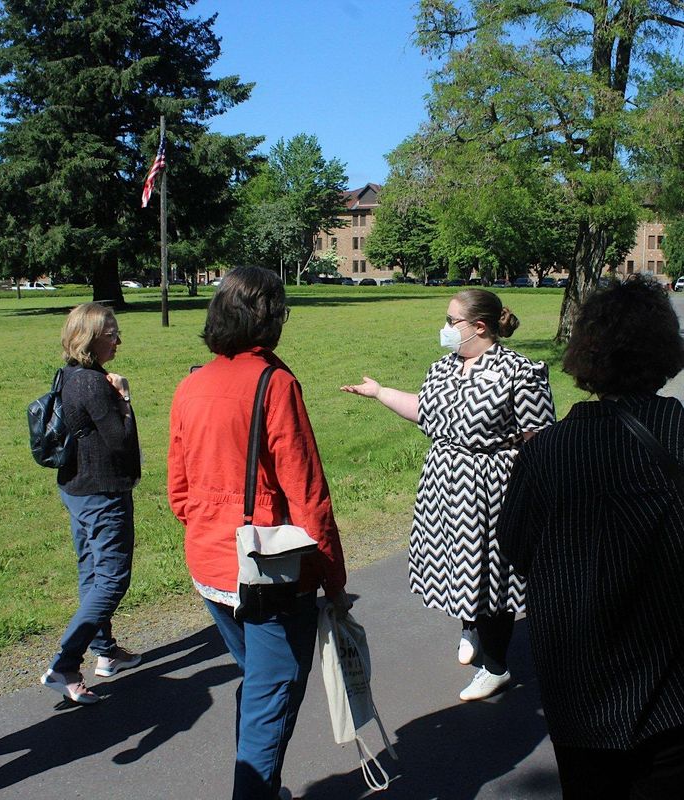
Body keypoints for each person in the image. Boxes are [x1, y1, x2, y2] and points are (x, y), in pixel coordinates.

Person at [497, 277, 684, 799]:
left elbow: (516, 547)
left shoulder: (548, 451)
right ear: (665, 349)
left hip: (584, 688)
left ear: (584, 354)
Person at [168, 266, 349, 800]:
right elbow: (307, 494)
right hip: (267, 570)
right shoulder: (275, 384)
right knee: (274, 692)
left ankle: (259, 784)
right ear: (270, 319)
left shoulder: (192, 383)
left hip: (211, 563)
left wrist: (208, 526)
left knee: (260, 679)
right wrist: (333, 580)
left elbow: (178, 490)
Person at [341, 288, 555, 701]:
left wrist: (537, 498)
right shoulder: (442, 368)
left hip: (494, 488)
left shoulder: (520, 372)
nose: (444, 328)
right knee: (460, 564)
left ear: (479, 326)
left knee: (493, 578)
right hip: (445, 483)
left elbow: (540, 438)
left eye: (450, 320)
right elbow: (425, 411)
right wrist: (380, 392)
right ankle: (469, 625)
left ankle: (495, 667)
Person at [40, 303, 142, 705]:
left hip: (76, 488)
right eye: (111, 333)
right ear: (90, 338)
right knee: (112, 579)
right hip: (102, 492)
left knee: (92, 572)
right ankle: (65, 663)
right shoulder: (95, 384)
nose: (118, 339)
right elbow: (120, 442)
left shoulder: (69, 376)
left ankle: (104, 651)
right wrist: (126, 400)